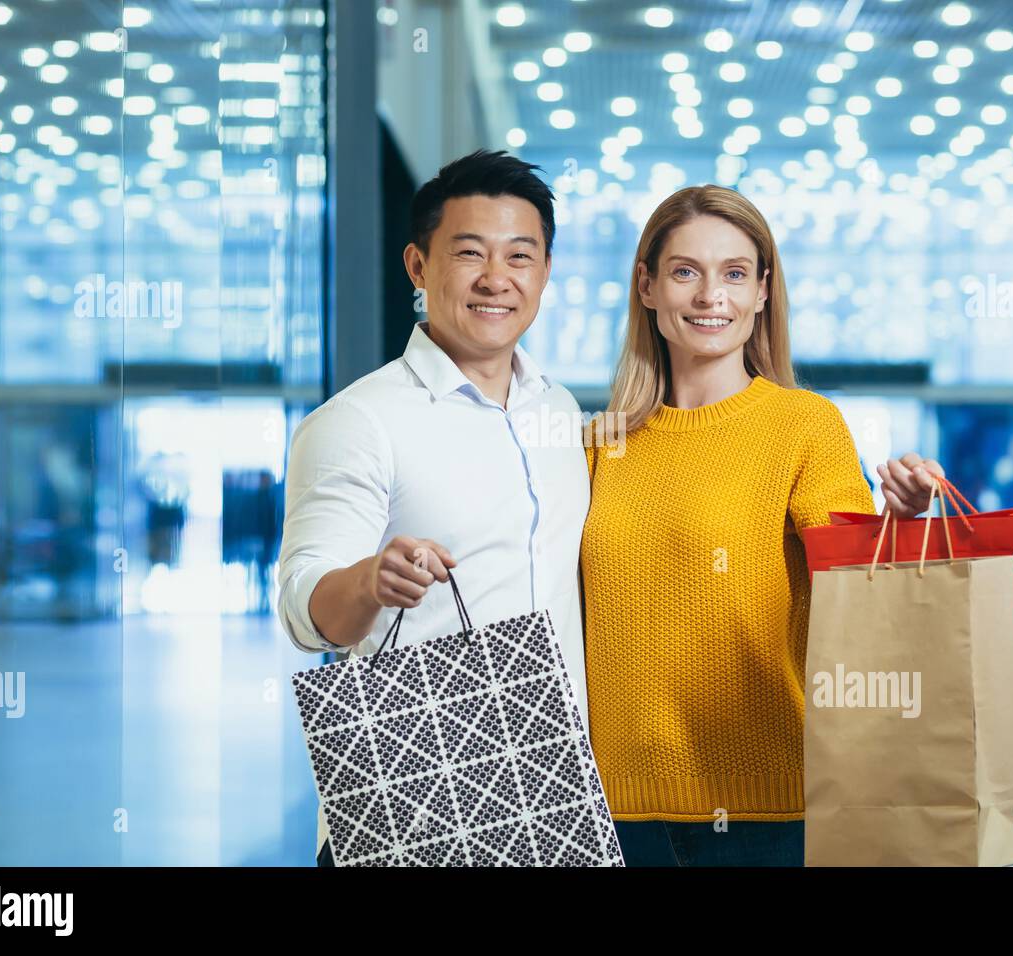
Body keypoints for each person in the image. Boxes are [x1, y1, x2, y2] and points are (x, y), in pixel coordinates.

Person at [580, 184, 943, 867]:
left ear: (762, 293)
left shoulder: (804, 426)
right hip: (609, 812)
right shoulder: (598, 445)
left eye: (735, 274)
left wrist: (901, 520)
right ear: (648, 286)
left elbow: (860, 586)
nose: (711, 296)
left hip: (768, 813)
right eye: (686, 271)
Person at [276, 150, 593, 866]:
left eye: (521, 256)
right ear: (418, 267)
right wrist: (368, 581)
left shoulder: (560, 411)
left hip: (553, 804)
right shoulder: (358, 421)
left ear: (544, 273)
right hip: (414, 804)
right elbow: (304, 610)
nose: (496, 279)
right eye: (469, 254)